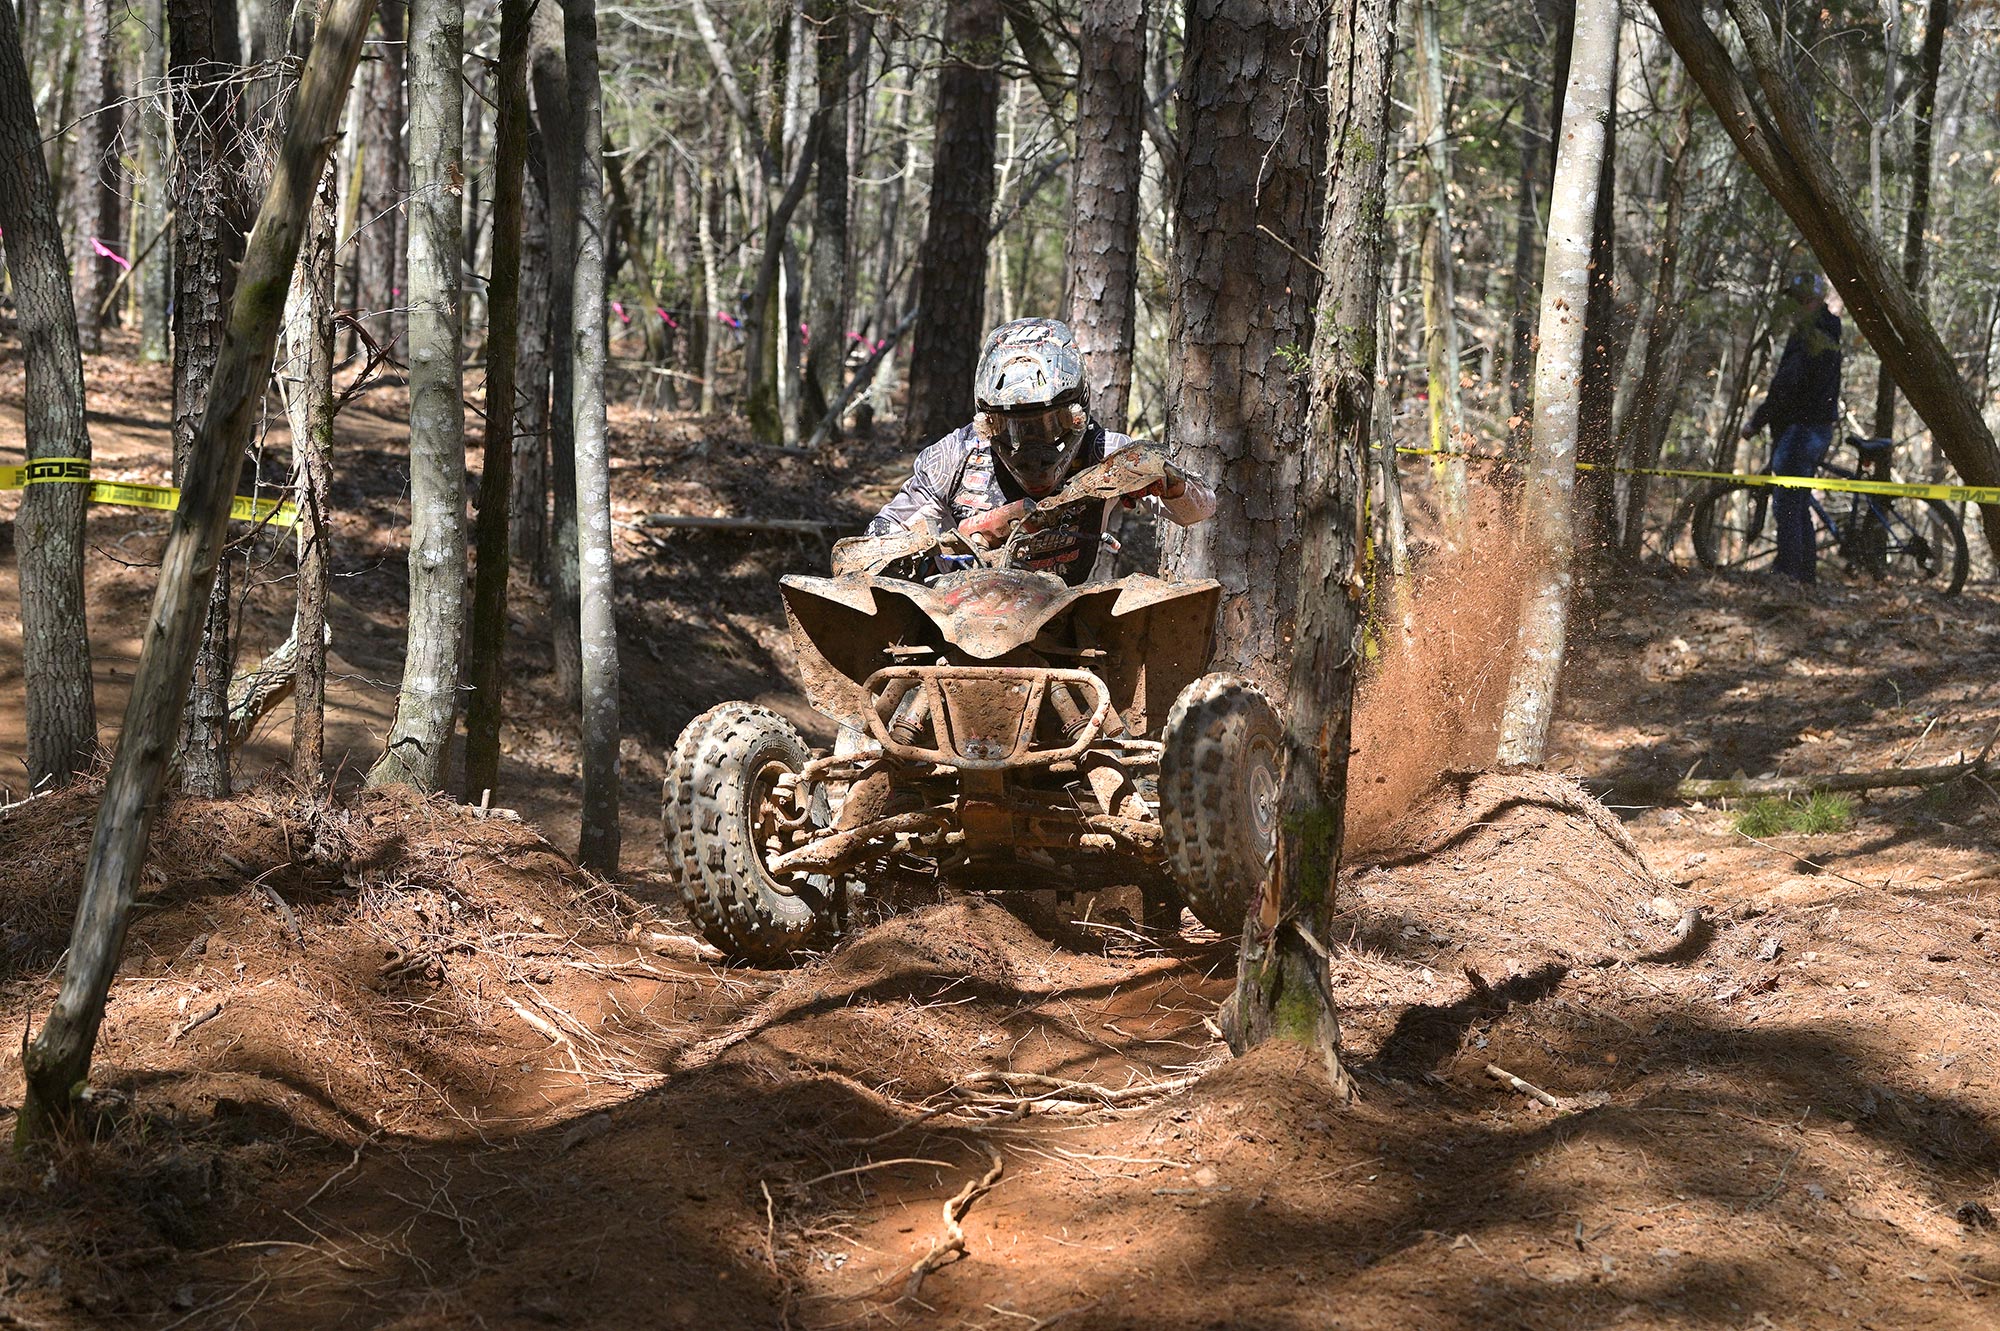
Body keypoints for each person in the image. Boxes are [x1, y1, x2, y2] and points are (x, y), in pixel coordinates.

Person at [867, 318, 1215, 583]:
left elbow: (1199, 508)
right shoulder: (954, 457)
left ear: (1077, 415)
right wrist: (919, 552)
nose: (1030, 448)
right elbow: (879, 539)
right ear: (987, 423)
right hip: (952, 622)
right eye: (1009, 427)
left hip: (1063, 624)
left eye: (1049, 424)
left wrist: (1170, 482)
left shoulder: (1109, 457)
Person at [1741, 272, 1843, 583]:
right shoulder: (1824, 330)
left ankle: (1789, 574)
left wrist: (1757, 421)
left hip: (1803, 430)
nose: (1794, 307)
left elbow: (1786, 386)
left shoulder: (1812, 335)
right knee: (1796, 504)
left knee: (1787, 504)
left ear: (1811, 301)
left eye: (1799, 300)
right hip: (1812, 428)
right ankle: (1803, 575)